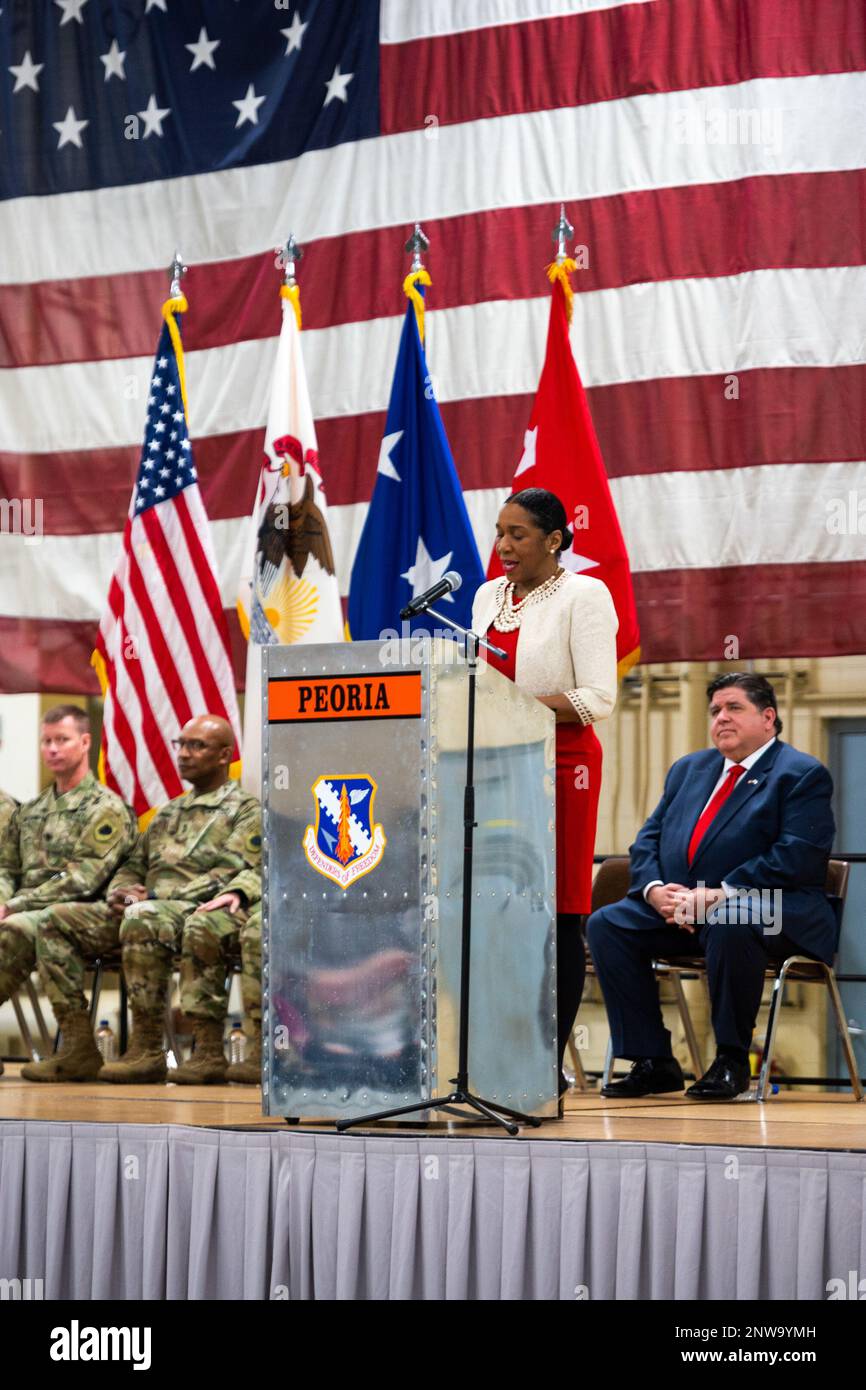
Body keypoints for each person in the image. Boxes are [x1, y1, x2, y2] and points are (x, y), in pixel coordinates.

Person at [587, 673, 838, 1101]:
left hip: (776, 908)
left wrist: (721, 893)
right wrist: (656, 891)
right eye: (715, 710)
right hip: (690, 907)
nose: (721, 717)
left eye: (734, 708)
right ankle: (652, 1060)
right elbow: (648, 840)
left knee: (730, 919)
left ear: (768, 717)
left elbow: (797, 855)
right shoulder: (689, 769)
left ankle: (732, 1061)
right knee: (608, 924)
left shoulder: (800, 774)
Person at [471, 488, 618, 1096]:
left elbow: (598, 697)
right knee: (496, 910)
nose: (503, 546)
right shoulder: (486, 597)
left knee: (555, 913)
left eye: (518, 534)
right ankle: (492, 1053)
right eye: (499, 532)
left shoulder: (585, 595)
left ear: (555, 540)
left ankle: (543, 1062)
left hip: (563, 765)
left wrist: (513, 705)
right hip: (492, 764)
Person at [25, 715, 261, 1085]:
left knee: (145, 916)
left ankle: (160, 1047)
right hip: (148, 908)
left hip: (201, 907)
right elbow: (133, 864)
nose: (184, 754)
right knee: (55, 920)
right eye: (181, 745)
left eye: (197, 746)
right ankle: (77, 1044)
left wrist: (151, 897)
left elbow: (230, 872)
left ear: (224, 755)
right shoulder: (169, 812)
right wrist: (122, 890)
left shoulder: (245, 810)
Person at [0, 705, 135, 1081]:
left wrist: (15, 906)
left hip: (83, 915)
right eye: (47, 741)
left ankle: (78, 1048)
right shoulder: (31, 810)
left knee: (17, 929)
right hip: (25, 913)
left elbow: (83, 879)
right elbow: (7, 868)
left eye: (62, 739)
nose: (53, 749)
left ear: (85, 742)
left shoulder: (105, 809)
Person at [179, 890, 262, 1085]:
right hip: (260, 894)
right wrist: (239, 890)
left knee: (260, 927)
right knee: (201, 924)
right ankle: (208, 1050)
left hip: (305, 894)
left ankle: (272, 1048)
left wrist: (242, 890)